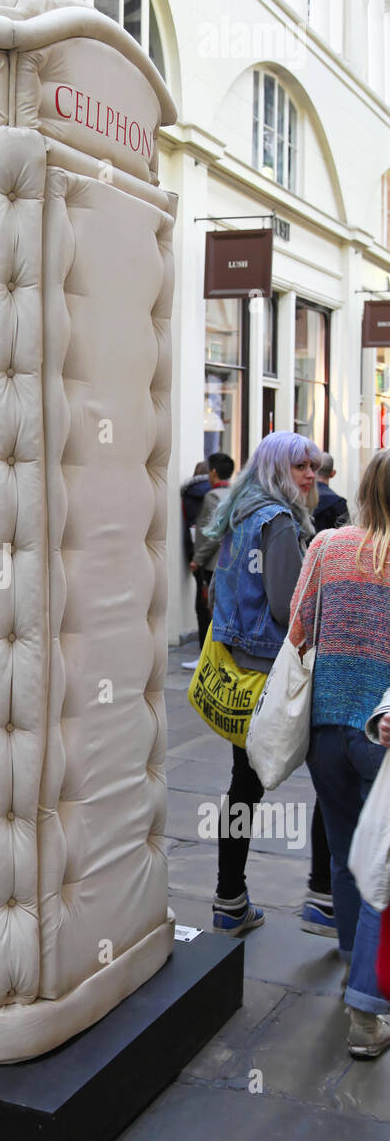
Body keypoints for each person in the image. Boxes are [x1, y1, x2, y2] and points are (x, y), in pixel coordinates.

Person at [288, 449, 390, 1056]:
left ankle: (355, 963)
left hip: (325, 731)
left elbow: (298, 626)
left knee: (349, 852)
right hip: (380, 734)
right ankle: (367, 1009)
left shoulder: (326, 546)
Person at [205, 431, 321, 936]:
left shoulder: (240, 514)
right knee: (329, 773)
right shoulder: (275, 521)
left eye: (313, 467)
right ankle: (323, 896)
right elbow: (286, 605)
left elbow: (218, 589)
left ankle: (230, 898)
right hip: (268, 673)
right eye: (300, 467)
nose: (310, 476)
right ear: (277, 469)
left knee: (242, 786)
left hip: (237, 669)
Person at [190, 451, 234, 645]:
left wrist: (197, 558)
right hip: (229, 560)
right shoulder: (234, 494)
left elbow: (213, 532)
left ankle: (205, 653)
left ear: (214, 472)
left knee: (205, 608)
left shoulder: (212, 496)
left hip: (210, 564)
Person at [180, 460, 210, 670]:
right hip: (214, 556)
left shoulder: (187, 493)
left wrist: (195, 557)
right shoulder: (217, 494)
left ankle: (203, 653)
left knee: (201, 604)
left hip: (195, 554)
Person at [312, 452, 350, 533]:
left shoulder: (299, 500)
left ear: (313, 471)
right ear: (333, 473)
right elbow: (346, 537)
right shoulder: (339, 503)